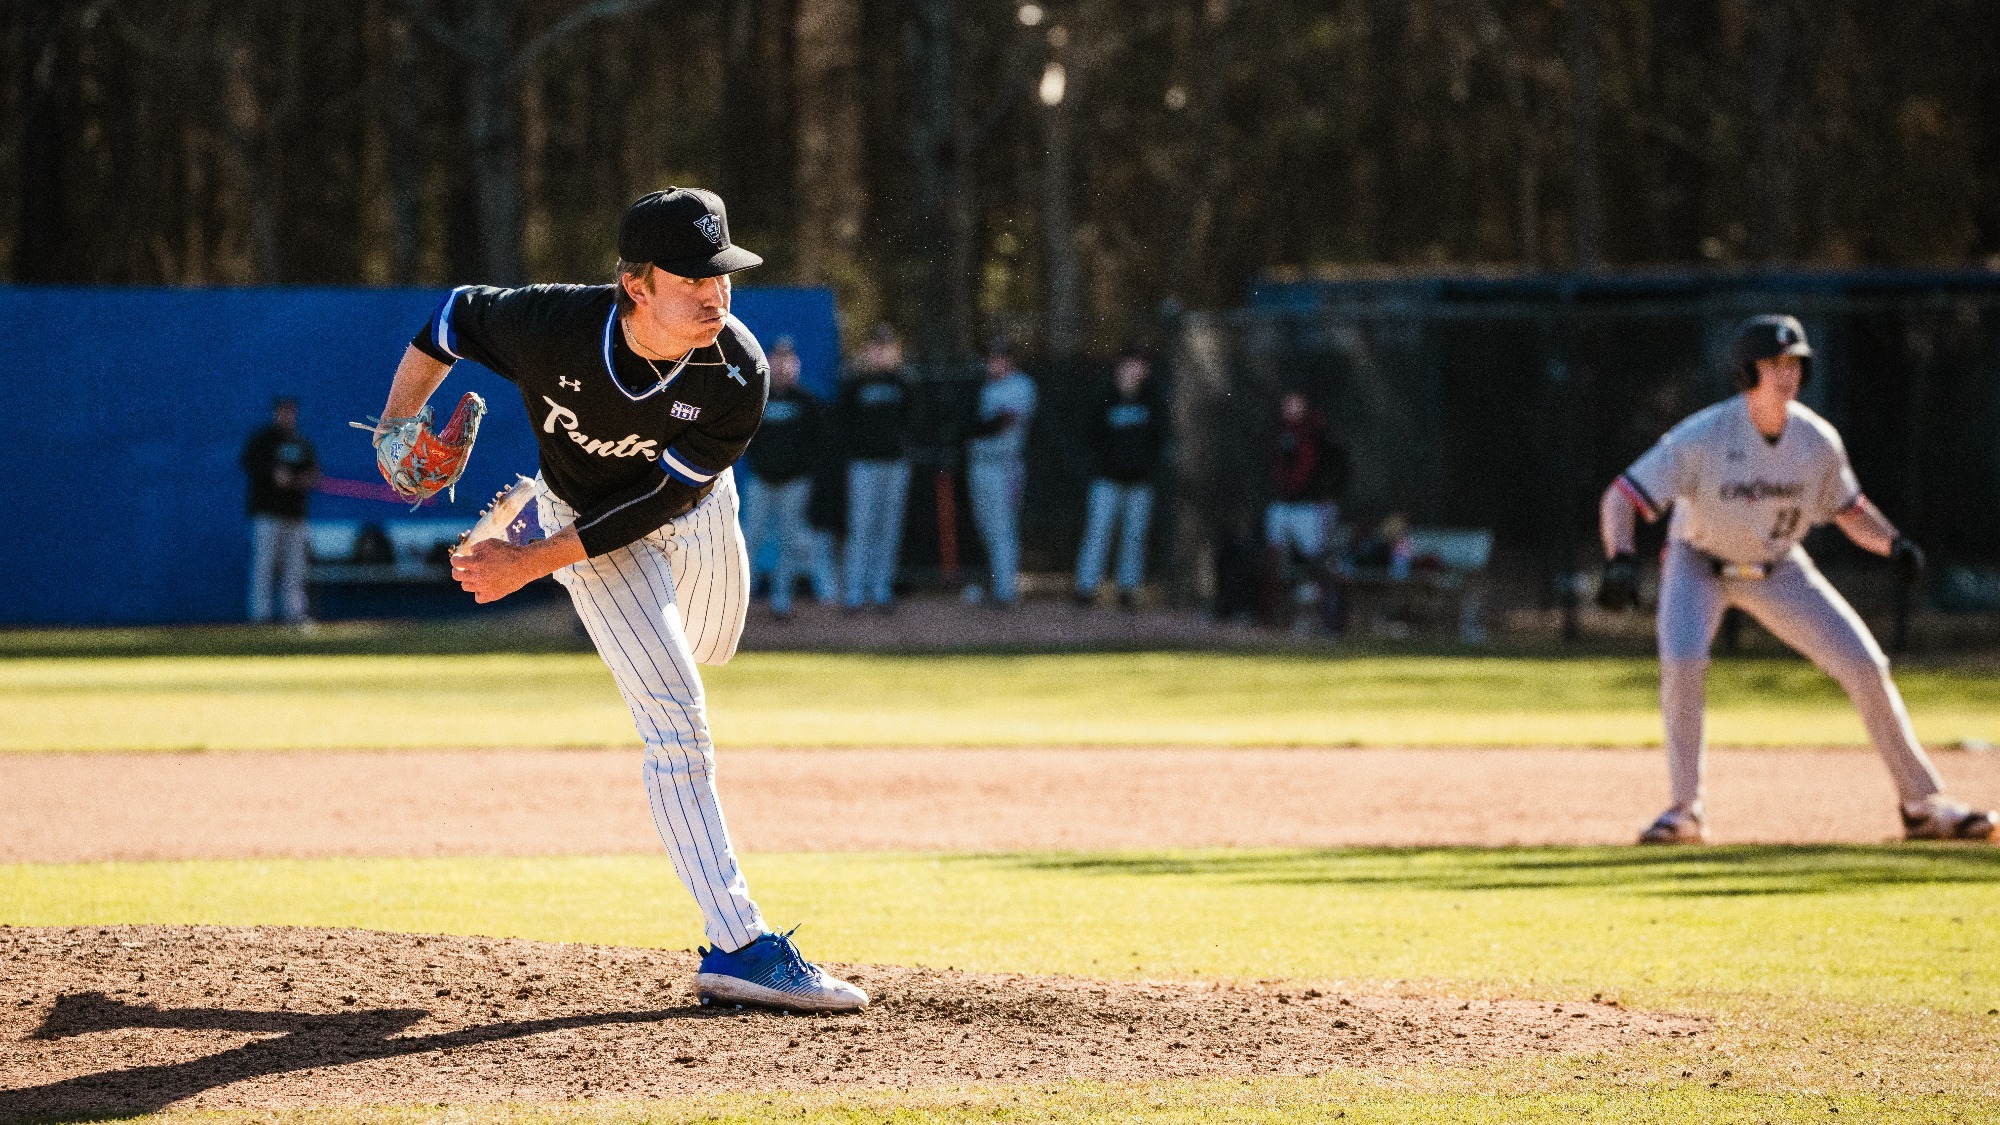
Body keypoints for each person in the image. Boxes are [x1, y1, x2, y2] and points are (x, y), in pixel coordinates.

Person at [375, 187, 867, 1010]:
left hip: (690, 504)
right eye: (693, 278)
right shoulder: (552, 326)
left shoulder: (737, 370)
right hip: (584, 523)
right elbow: (452, 317)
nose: (717, 294)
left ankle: (537, 509)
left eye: (725, 277)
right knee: (679, 717)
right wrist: (398, 420)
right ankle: (739, 945)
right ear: (636, 284)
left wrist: (528, 561)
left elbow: (654, 506)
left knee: (714, 644)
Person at [1598, 314, 1995, 844]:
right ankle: (1683, 811)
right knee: (1683, 665)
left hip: (1778, 566)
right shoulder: (1703, 436)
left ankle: (1922, 804)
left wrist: (1893, 544)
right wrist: (1620, 558)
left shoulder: (1815, 440)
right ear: (1746, 371)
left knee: (1866, 664)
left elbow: (1851, 510)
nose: (1787, 373)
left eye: (1795, 363)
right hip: (1699, 563)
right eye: (1774, 362)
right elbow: (1621, 497)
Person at [741, 337, 831, 620]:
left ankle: (781, 601)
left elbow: (819, 445)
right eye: (777, 359)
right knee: (749, 540)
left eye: (788, 360)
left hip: (794, 484)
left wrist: (801, 472)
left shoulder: (807, 401)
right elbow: (744, 437)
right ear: (769, 361)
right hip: (761, 482)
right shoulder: (758, 396)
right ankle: (740, 600)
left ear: (796, 364)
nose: (782, 365)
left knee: (789, 543)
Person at [1074, 348, 1162, 609]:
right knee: (1098, 533)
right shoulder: (1104, 396)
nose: (1140, 370)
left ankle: (1128, 590)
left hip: (1139, 482)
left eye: (1144, 364)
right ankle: (1086, 589)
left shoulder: (1151, 398)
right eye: (1135, 363)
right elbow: (1091, 436)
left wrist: (1146, 467)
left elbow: (1158, 438)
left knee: (1134, 537)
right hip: (1107, 479)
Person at [837, 323, 913, 612]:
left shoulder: (903, 383)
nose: (881, 352)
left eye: (886, 347)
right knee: (861, 528)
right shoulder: (856, 383)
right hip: (863, 465)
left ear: (895, 350)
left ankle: (881, 589)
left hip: (895, 464)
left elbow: (912, 421)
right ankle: (855, 591)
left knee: (889, 529)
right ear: (869, 350)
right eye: (876, 347)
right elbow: (844, 424)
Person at [1263, 391, 1349, 629]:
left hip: (1310, 508)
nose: (1290, 409)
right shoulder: (1278, 433)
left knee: (1321, 561)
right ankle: (1271, 618)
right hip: (1283, 505)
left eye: (1296, 404)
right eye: (1287, 404)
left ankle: (1331, 621)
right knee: (1274, 558)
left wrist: (1324, 496)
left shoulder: (1317, 436)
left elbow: (1333, 471)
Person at [966, 338, 1039, 608]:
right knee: (986, 528)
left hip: (1004, 465)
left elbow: (1002, 422)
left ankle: (1005, 591)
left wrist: (969, 428)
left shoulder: (1021, 385)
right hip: (980, 464)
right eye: (992, 357)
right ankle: (998, 584)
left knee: (1002, 529)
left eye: (1000, 357)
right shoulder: (985, 387)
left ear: (1010, 359)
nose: (994, 362)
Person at [240, 395, 319, 625]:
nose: (287, 416)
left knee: (295, 570)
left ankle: (295, 615)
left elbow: (313, 470)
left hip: (295, 515)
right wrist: (272, 473)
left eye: (291, 411)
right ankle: (260, 617)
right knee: (264, 568)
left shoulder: (301, 442)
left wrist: (307, 478)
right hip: (268, 514)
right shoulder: (263, 440)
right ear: (276, 413)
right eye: (283, 411)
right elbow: (249, 463)